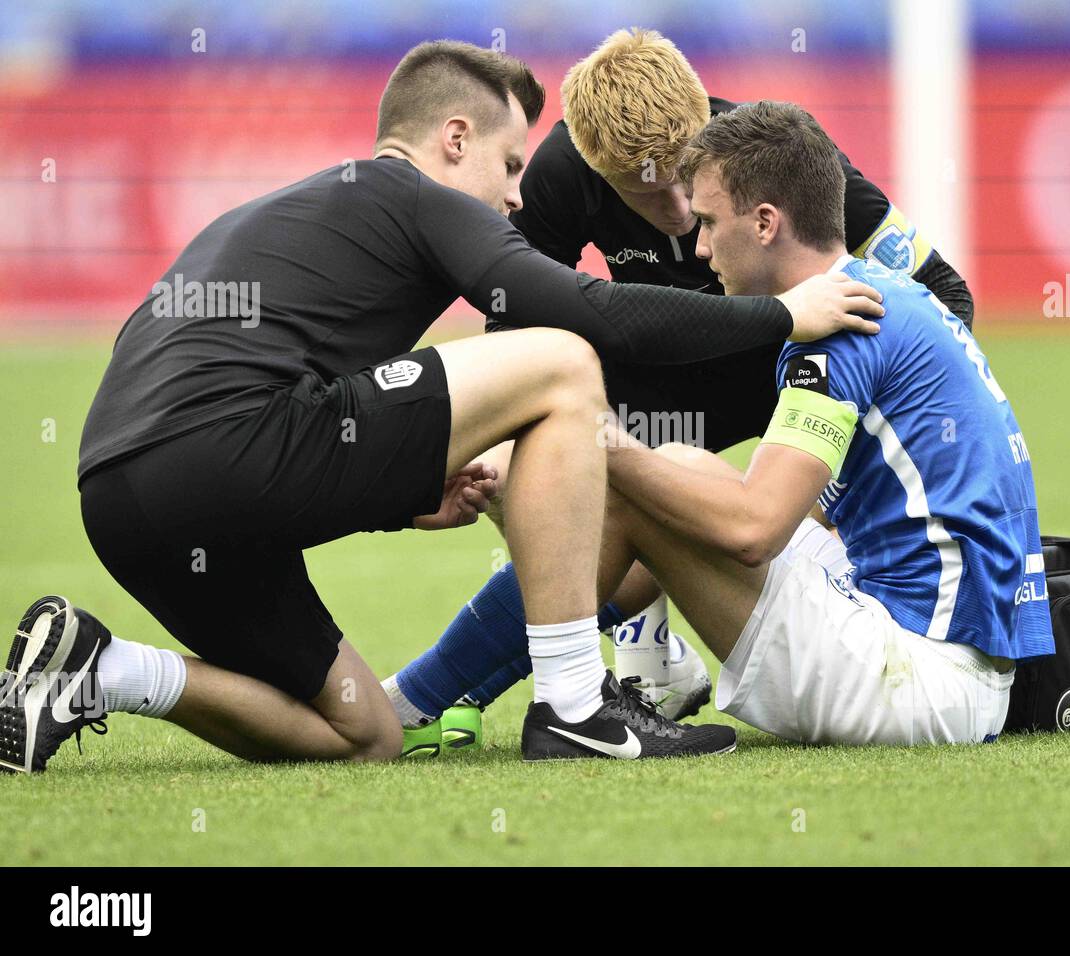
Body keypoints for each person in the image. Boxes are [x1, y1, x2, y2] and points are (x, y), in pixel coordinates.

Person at [0, 43, 882, 774]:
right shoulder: (409, 192)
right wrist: (779, 315)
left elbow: (267, 395)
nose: (513, 196)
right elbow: (580, 311)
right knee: (565, 364)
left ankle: (102, 671)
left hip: (120, 496)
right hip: (225, 445)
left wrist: (398, 498)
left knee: (363, 734)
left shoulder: (282, 218)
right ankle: (575, 705)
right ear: (452, 138)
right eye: (507, 165)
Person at [396, 101, 1054, 755]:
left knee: (651, 483)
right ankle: (617, 668)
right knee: (679, 469)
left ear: (766, 223)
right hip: (957, 656)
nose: (699, 245)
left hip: (923, 681)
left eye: (708, 222)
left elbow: (751, 531)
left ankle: (500, 701)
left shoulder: (836, 336)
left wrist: (587, 439)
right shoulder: (880, 293)